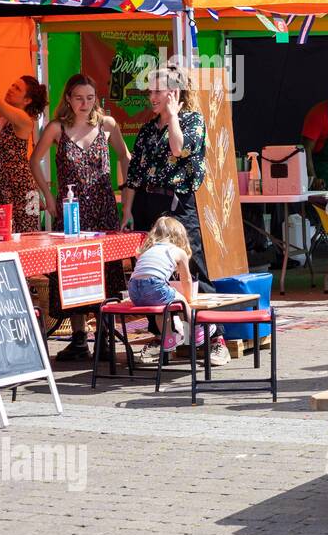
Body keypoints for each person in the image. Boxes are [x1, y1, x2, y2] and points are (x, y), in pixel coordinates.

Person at [120, 65, 228, 366]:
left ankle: (216, 337)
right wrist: (127, 210)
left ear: (174, 92)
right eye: (150, 91)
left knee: (193, 269)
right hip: (147, 204)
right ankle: (163, 336)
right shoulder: (146, 130)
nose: (151, 96)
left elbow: (179, 148)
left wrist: (173, 116)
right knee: (153, 271)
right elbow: (134, 175)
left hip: (178, 204)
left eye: (157, 91)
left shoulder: (192, 121)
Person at [29, 74, 131, 361]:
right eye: (78, 98)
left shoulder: (107, 125)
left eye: (89, 97)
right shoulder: (57, 128)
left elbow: (125, 157)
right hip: (71, 212)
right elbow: (34, 161)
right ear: (68, 99)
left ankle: (104, 336)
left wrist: (126, 198)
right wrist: (48, 197)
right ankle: (78, 338)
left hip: (103, 210)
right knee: (71, 272)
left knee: (104, 272)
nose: (84, 103)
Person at [0, 70, 46, 232]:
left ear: (27, 100)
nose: (10, 88)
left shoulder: (25, 120)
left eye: (17, 88)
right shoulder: (0, 115)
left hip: (22, 193)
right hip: (0, 188)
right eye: (12, 85)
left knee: (26, 240)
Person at [126, 216, 194, 360]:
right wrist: (188, 298)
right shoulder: (178, 251)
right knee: (181, 300)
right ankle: (195, 330)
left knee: (161, 310)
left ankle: (167, 339)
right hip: (154, 285)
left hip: (133, 291)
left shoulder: (148, 250)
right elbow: (186, 280)